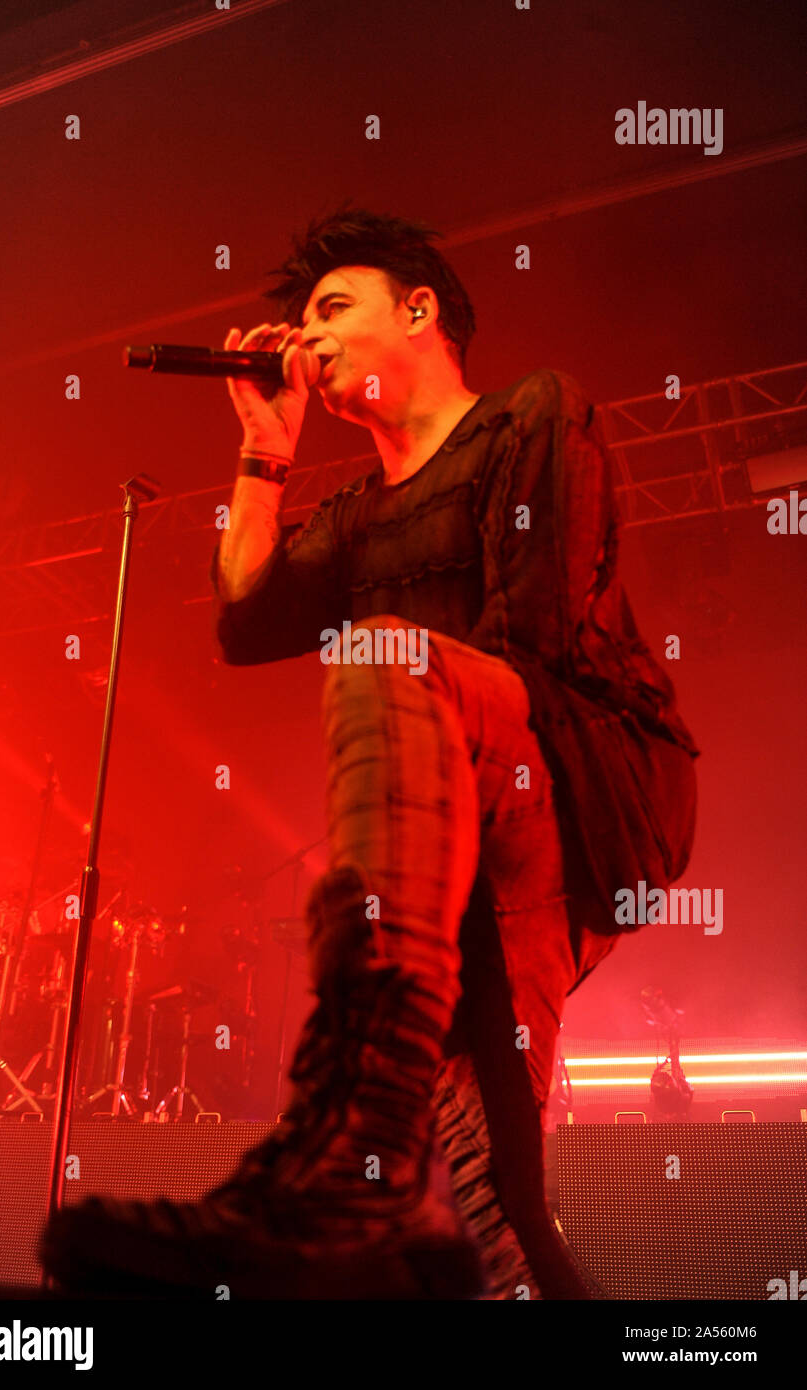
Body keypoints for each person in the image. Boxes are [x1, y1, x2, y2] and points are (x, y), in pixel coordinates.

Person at [40, 206, 699, 1300]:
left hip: (574, 784)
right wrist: (265, 447)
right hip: (450, 862)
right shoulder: (353, 516)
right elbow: (243, 621)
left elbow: (526, 648)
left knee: (386, 656)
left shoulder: (531, 414)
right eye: (304, 320)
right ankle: (380, 1178)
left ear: (420, 311)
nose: (312, 336)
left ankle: (349, 1142)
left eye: (332, 309)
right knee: (488, 1190)